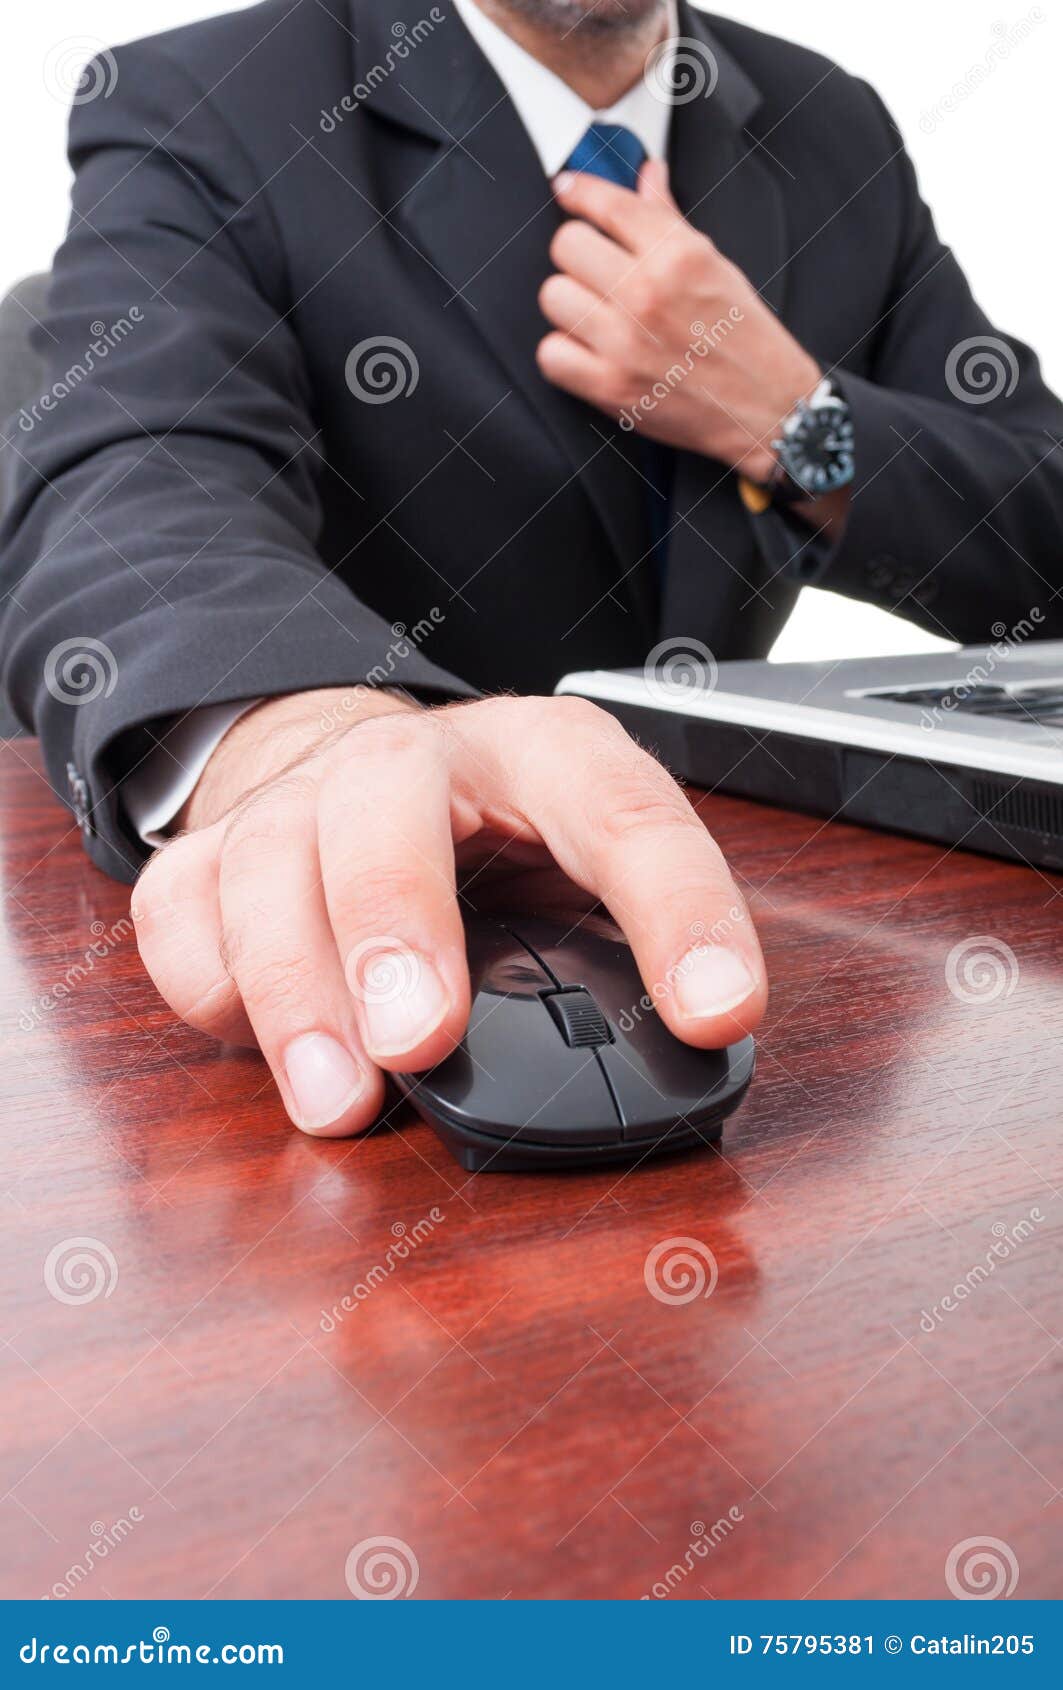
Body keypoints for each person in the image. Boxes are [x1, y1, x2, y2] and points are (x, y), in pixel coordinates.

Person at [2, 0, 1062, 1140]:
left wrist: (798, 419)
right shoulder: (209, 97)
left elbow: (1039, 523)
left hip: (745, 915)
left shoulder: (829, 126)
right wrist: (310, 750)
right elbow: (142, 483)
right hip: (412, 945)